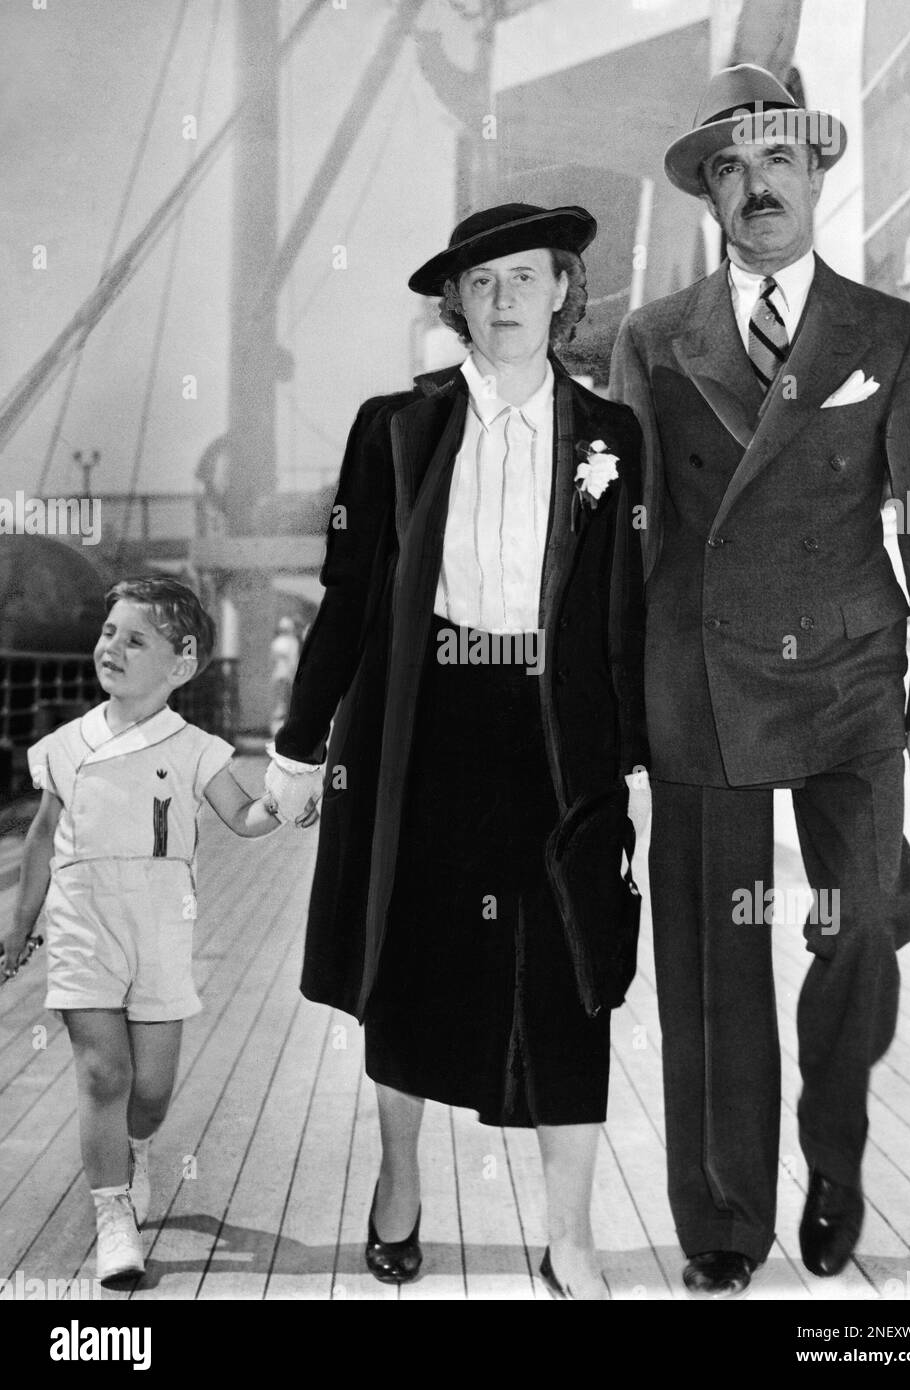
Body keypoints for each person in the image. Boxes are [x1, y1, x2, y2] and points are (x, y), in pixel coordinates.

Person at [610, 65, 910, 1297]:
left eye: (777, 160)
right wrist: (617, 704)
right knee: (712, 951)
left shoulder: (891, 331)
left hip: (853, 673)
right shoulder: (655, 338)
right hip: (701, 669)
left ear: (816, 173)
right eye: (730, 167)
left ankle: (834, 1147)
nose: (755, 184)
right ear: (710, 194)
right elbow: (633, 535)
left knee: (860, 920)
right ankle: (721, 1220)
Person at [266, 202, 648, 1299]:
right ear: (456, 305)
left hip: (559, 737)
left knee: (573, 971)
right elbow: (348, 597)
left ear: (563, 290)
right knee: (410, 963)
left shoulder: (612, 436)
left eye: (525, 277)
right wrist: (298, 748)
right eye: (480, 283)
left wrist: (638, 762)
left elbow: (626, 608)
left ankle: (568, 1236)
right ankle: (399, 1185)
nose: (503, 299)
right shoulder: (395, 426)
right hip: (427, 726)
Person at [0, 578, 316, 1285]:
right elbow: (43, 836)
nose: (111, 646)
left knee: (151, 1094)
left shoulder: (197, 747)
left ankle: (134, 1148)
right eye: (109, 632)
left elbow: (244, 818)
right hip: (84, 926)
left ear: (183, 662)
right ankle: (113, 1212)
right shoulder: (65, 745)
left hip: (161, 930)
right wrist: (19, 924)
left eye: (135, 639)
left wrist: (285, 801)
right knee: (104, 1073)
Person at [269, 616, 301, 736]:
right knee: (285, 704)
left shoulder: (276, 642)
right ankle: (281, 729)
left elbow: (272, 660)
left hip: (277, 675)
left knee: (279, 704)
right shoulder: (292, 642)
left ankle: (277, 729)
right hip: (287, 676)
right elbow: (294, 662)